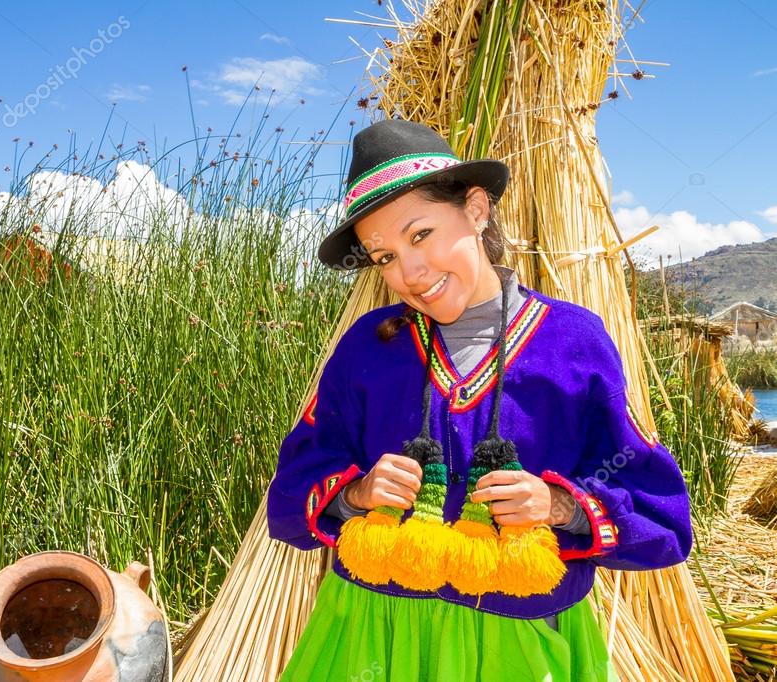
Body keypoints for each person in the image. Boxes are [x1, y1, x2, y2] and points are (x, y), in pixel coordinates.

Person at [266, 118, 693, 681]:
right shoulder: (367, 350)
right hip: (372, 636)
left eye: (420, 235)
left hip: (517, 643)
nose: (411, 273)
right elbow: (289, 499)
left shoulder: (574, 344)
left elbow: (662, 518)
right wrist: (356, 496)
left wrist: (560, 507)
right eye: (384, 257)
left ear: (475, 208)